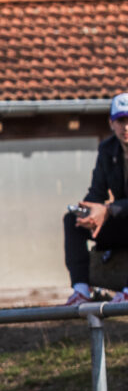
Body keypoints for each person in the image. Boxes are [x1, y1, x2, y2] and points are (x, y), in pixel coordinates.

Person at [63, 93, 128, 305]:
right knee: (72, 221)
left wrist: (107, 210)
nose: (126, 127)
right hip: (121, 221)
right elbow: (96, 193)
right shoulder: (107, 149)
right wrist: (88, 213)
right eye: (121, 121)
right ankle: (81, 290)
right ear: (111, 123)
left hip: (120, 213)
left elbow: (107, 207)